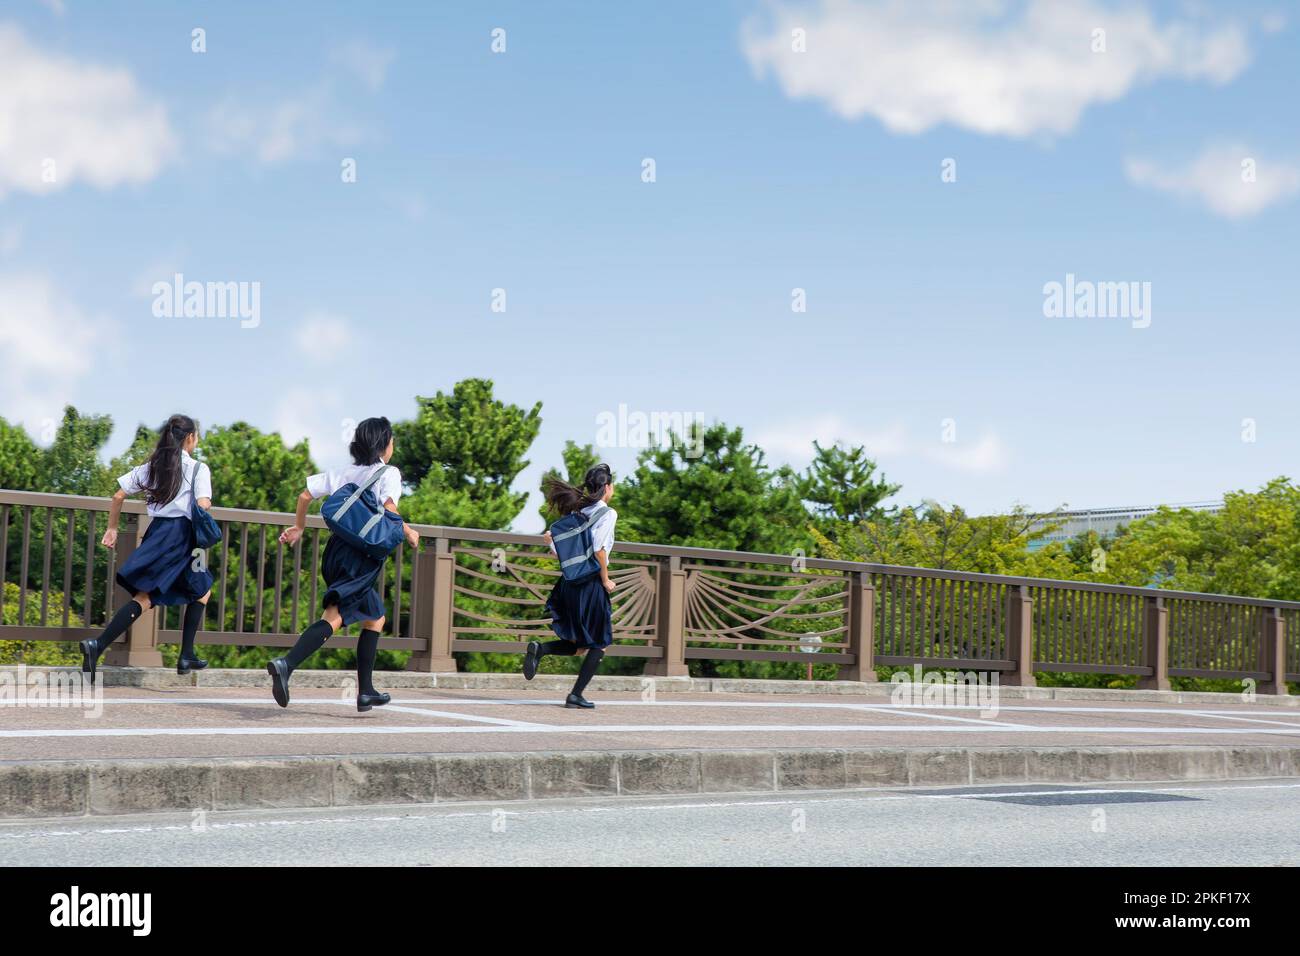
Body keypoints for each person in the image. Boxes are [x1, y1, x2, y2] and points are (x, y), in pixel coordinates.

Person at [270, 417, 419, 712]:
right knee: (335, 615)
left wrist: (298, 528)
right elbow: (390, 510)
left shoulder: (344, 472)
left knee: (375, 617)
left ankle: (365, 692)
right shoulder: (388, 473)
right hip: (361, 556)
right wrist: (409, 532)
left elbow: (304, 495)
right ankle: (286, 664)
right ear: (383, 444)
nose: (393, 446)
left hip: (336, 551)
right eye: (391, 440)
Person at [81, 414, 214, 683]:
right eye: (196, 436)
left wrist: (113, 528)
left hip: (157, 535)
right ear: (190, 438)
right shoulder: (198, 469)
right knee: (149, 597)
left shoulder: (152, 466)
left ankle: (186, 654)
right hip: (180, 537)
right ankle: (99, 645)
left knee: (199, 589)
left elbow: (118, 495)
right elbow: (204, 505)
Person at [522, 464, 617, 709]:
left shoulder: (578, 513)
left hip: (568, 584)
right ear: (607, 488)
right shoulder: (607, 513)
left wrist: (549, 543)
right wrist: (606, 580)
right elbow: (599, 549)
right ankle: (575, 695)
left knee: (580, 647)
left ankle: (540, 649)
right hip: (591, 585)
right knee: (600, 642)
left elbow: (561, 553)